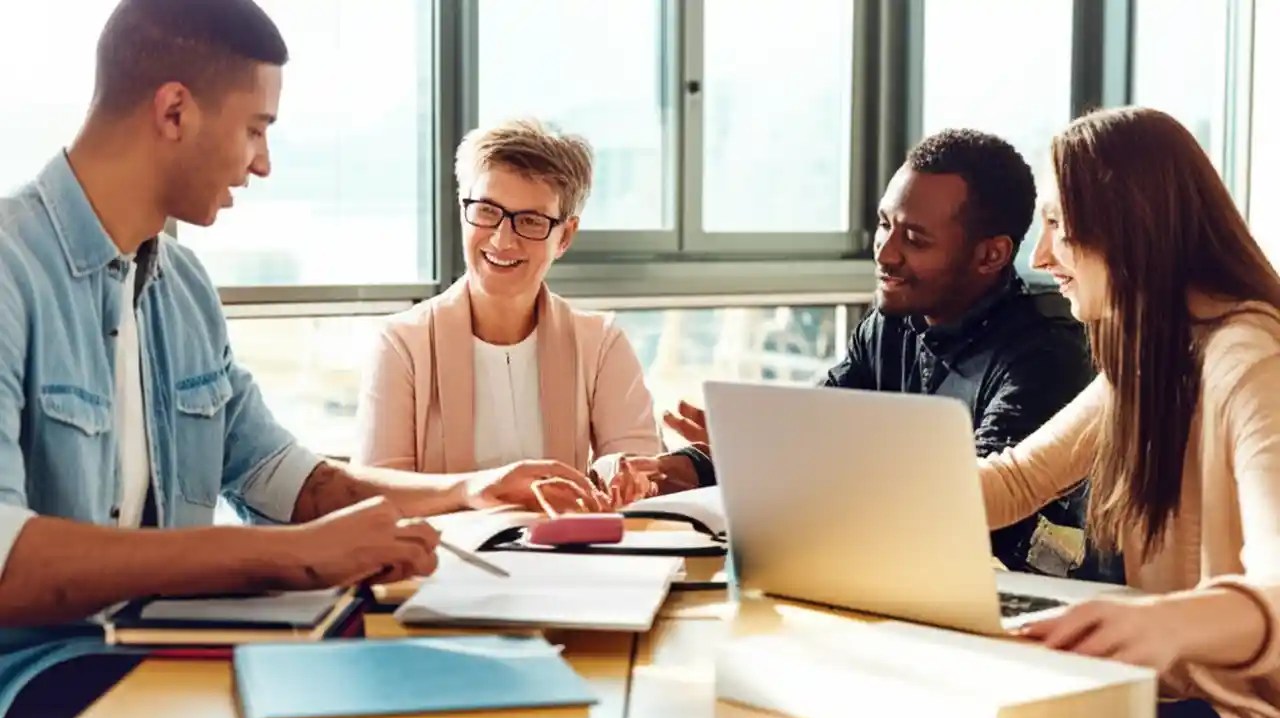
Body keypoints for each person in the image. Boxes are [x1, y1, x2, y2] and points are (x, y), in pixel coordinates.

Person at [0, 0, 601, 627]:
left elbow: (283, 479)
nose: (262, 163)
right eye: (255, 129)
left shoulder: (182, 289)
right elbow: (7, 561)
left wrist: (465, 491)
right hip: (37, 676)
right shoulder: (11, 269)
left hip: (163, 652)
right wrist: (287, 556)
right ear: (174, 111)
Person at [618, 129, 1098, 576]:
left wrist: (771, 455)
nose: (886, 253)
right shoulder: (890, 325)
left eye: (915, 239)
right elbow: (816, 427)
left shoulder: (1045, 354)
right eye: (885, 225)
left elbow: (972, 507)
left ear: (990, 256)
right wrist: (689, 468)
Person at [984, 107, 1280, 718]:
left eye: (1057, 225)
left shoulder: (1251, 365)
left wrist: (1165, 622)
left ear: (1126, 228)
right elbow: (1016, 481)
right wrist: (833, 503)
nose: (1040, 256)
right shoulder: (1154, 354)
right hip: (1161, 696)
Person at [352, 119, 662, 505]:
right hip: (449, 561)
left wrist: (622, 473)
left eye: (530, 221)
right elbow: (378, 493)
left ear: (564, 236)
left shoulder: (601, 342)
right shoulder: (402, 344)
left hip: (569, 559)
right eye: (486, 211)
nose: (502, 238)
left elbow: (640, 463)